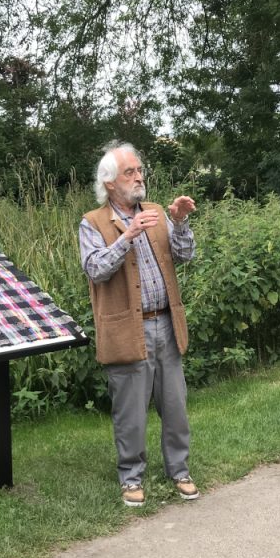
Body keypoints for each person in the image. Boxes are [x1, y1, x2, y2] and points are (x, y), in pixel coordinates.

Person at [79, 141, 199, 507]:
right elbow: (96, 269)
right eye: (130, 172)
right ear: (110, 182)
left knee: (175, 406)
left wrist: (179, 223)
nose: (139, 177)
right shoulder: (93, 222)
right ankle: (131, 477)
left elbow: (185, 255)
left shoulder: (156, 212)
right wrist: (128, 236)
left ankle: (180, 470)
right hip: (128, 330)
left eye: (139, 170)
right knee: (130, 412)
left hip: (166, 323)